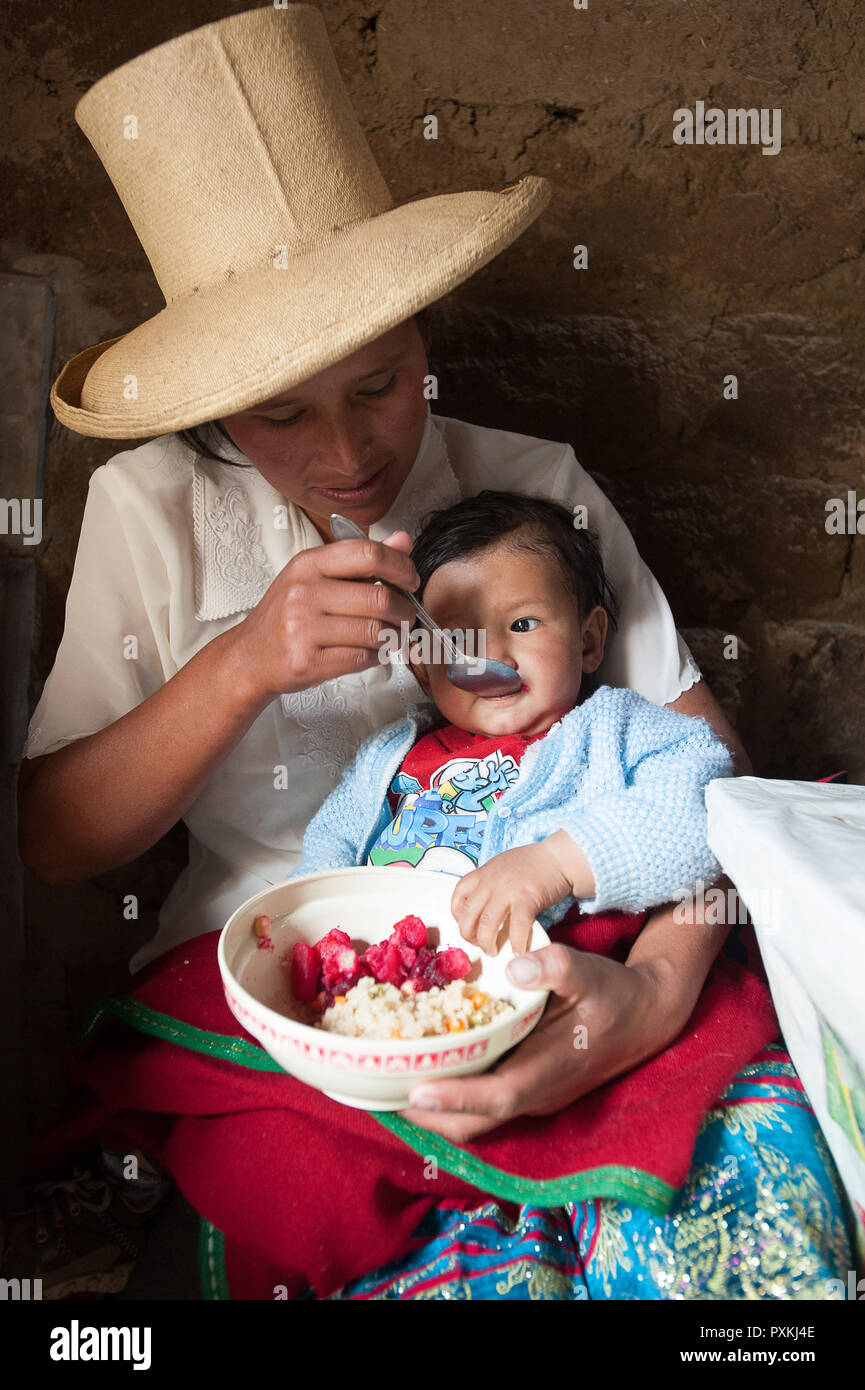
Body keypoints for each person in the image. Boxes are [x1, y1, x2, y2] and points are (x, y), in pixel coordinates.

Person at [7, 8, 852, 1299]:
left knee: (725, 1185)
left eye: (383, 383)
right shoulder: (151, 508)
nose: (348, 454)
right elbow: (57, 840)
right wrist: (239, 666)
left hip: (582, 952)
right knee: (317, 1218)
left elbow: (714, 792)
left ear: (424, 336)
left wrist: (653, 998)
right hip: (294, 1008)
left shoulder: (538, 494)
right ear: (213, 406)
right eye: (281, 415)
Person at [292, 491, 736, 959]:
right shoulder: (393, 751)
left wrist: (559, 863)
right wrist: (316, 921)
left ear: (587, 642)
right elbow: (331, 841)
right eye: (460, 637)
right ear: (421, 667)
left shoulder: (612, 732)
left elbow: (707, 806)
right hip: (385, 967)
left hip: (542, 976)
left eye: (523, 625)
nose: (493, 655)